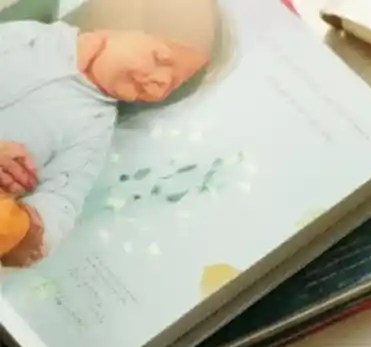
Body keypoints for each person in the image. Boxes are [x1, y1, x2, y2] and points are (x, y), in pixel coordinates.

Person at [0, 3, 213, 268]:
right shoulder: (28, 39)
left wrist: (19, 227)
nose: (161, 80)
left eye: (173, 82)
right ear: (117, 21)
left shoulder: (94, 126)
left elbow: (62, 202)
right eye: (160, 58)